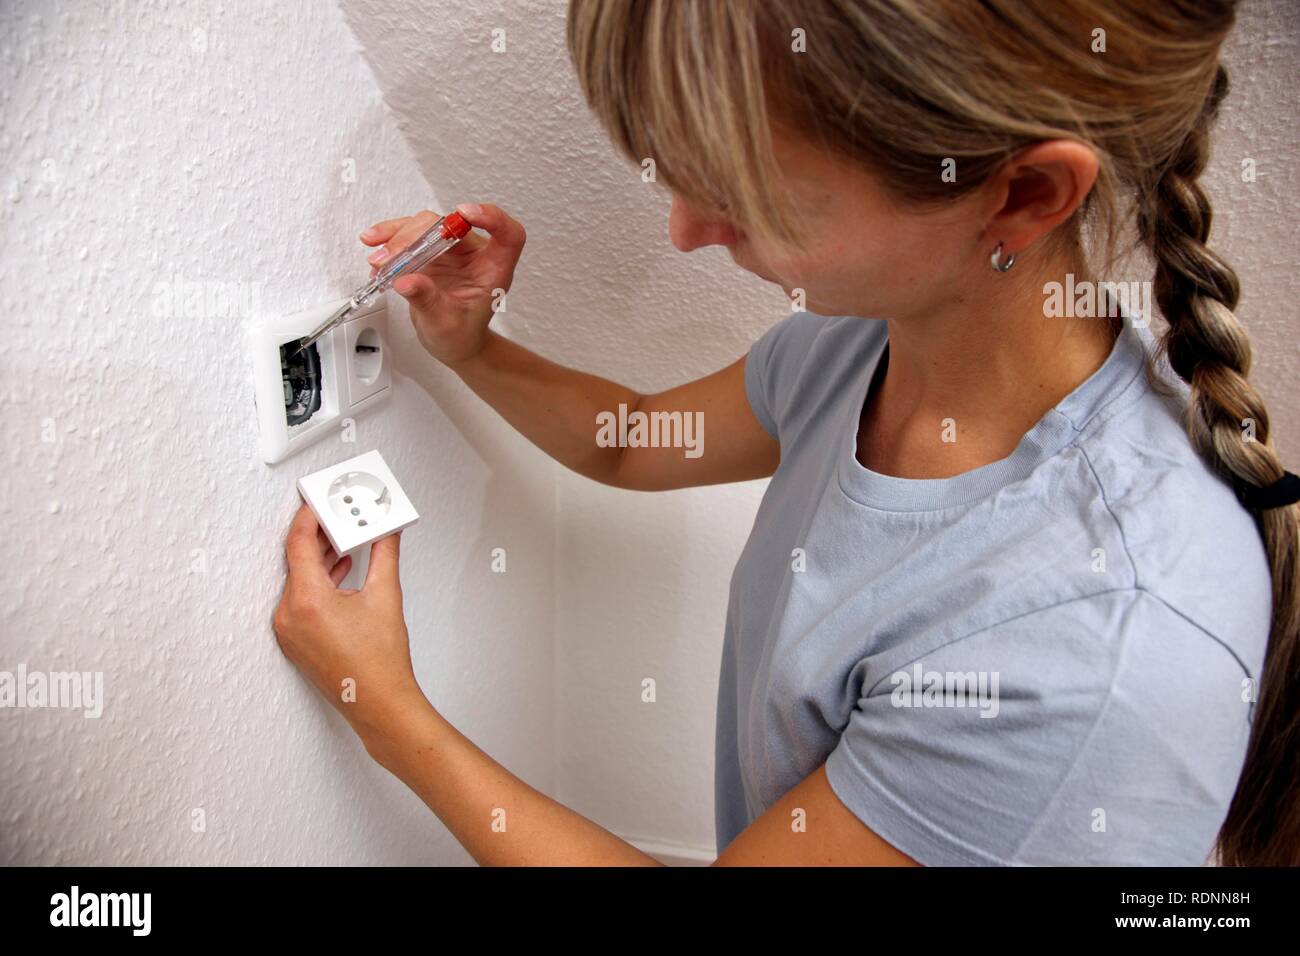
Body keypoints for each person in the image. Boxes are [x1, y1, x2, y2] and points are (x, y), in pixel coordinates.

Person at [273, 0, 1299, 865]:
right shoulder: (864, 348)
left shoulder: (1082, 647)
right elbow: (633, 438)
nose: (685, 228)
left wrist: (385, 709)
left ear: (1023, 196)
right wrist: (469, 345)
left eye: (747, 194)